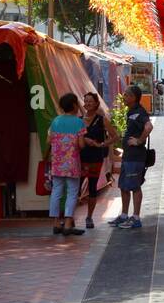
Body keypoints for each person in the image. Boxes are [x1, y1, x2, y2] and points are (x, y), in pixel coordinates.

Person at [111, 84, 153, 229]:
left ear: (134, 97)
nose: (124, 96)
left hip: (136, 156)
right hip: (128, 156)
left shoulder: (140, 112)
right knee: (123, 186)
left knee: (134, 186)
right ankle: (124, 215)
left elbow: (149, 127)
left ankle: (135, 217)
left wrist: (139, 141)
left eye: (127, 94)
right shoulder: (130, 112)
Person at [47, 93, 86, 236]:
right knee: (72, 192)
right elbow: (81, 144)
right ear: (75, 105)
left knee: (56, 191)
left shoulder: (55, 121)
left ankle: (56, 222)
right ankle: (68, 223)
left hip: (57, 162)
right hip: (72, 163)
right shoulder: (78, 122)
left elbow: (49, 140)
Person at [79, 91, 114, 229]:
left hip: (95, 158)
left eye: (90, 101)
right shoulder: (79, 120)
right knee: (76, 186)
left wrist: (102, 144)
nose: (87, 103)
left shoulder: (101, 119)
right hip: (80, 157)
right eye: (85, 101)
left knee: (92, 186)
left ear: (96, 103)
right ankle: (70, 217)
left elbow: (115, 136)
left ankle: (89, 217)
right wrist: (84, 140)